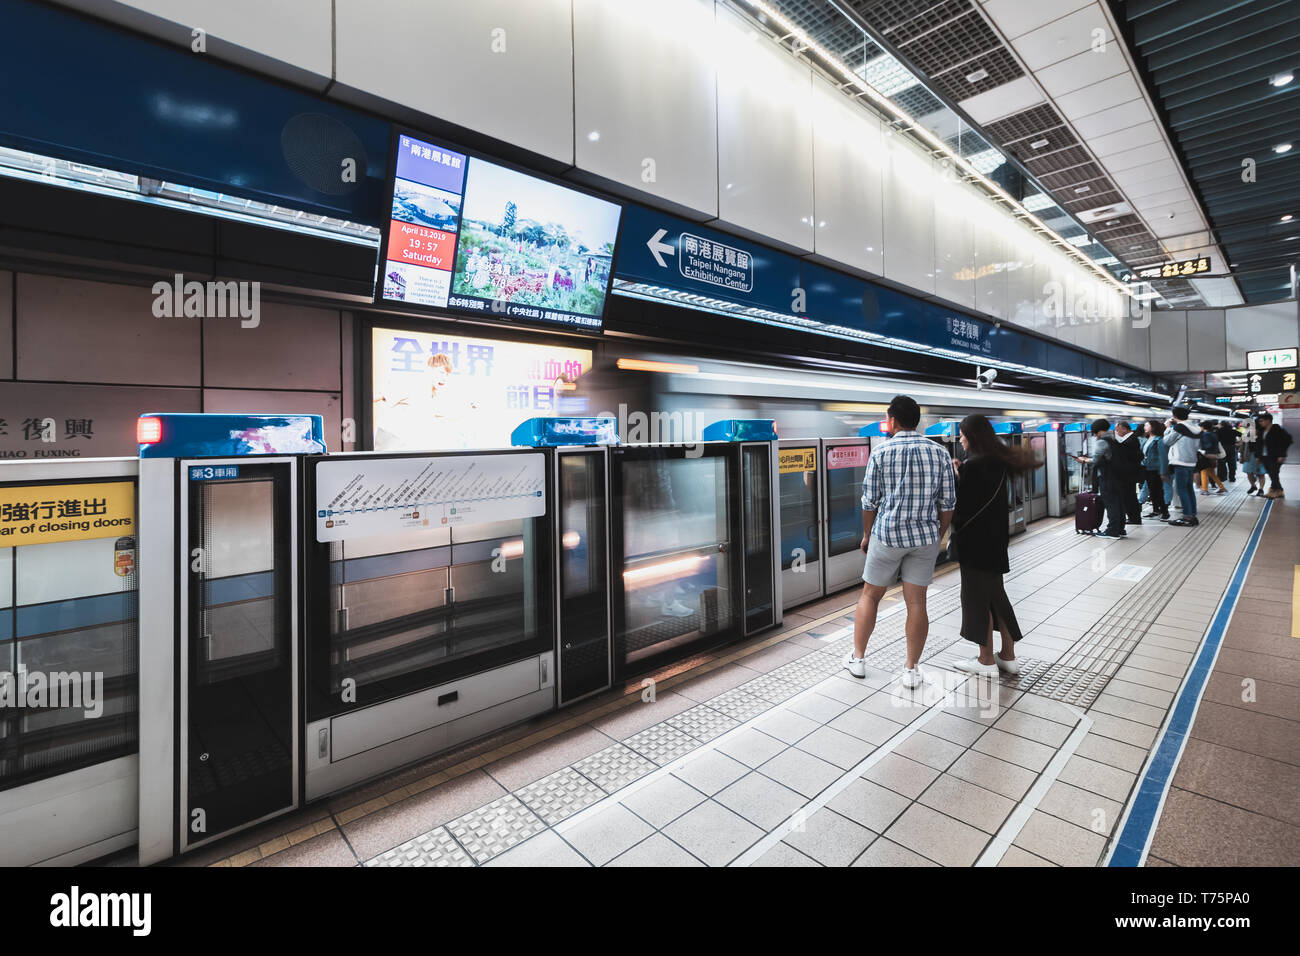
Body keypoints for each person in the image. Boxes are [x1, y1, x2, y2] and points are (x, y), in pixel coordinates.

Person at [844, 395, 956, 689]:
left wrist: (867, 535)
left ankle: (858, 659)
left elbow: (869, 501)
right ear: (917, 421)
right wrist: (938, 535)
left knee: (870, 596)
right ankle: (911, 669)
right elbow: (948, 503)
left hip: (887, 535)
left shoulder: (881, 452)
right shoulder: (939, 453)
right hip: (924, 537)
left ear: (892, 420)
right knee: (917, 602)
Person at [948, 415, 1039, 677]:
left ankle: (985, 660)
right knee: (997, 598)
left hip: (974, 545)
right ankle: (1008, 656)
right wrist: (962, 471)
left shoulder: (973, 465)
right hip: (996, 541)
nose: (960, 439)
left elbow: (962, 508)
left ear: (972, 435)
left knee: (977, 600)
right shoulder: (997, 461)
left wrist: (957, 476)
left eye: (962, 434)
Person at [1075, 419, 1126, 537]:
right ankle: (1120, 529)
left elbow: (1096, 460)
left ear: (1098, 431)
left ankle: (1112, 531)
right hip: (1117, 476)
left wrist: (1084, 460)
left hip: (1107, 477)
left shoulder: (1102, 441)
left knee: (1111, 504)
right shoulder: (1114, 439)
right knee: (1118, 503)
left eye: (1094, 433)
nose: (1095, 435)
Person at [1164, 405, 1200, 526]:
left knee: (1182, 490)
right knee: (1189, 489)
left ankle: (1187, 517)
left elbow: (1167, 441)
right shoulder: (1195, 427)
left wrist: (1168, 428)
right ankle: (1192, 514)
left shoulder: (1179, 427)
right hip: (1191, 461)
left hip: (1180, 461)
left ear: (1174, 416)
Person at [1113, 421, 1145, 523]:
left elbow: (1125, 455)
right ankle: (1134, 517)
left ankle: (1134, 518)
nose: (1116, 432)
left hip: (1128, 474)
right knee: (1130, 495)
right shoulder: (1131, 439)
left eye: (1117, 430)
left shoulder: (1130, 440)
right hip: (1130, 473)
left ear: (1124, 429)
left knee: (1129, 496)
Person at [1256, 413, 1293, 499]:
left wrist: (1282, 454)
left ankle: (1274, 490)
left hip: (1275, 456)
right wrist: (1258, 455)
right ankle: (1279, 491)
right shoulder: (1262, 431)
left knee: (1274, 473)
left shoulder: (1277, 429)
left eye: (1262, 421)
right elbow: (1259, 443)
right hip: (1265, 456)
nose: (1260, 423)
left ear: (1268, 420)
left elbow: (1287, 440)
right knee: (1271, 473)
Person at [1141, 420, 1169, 520]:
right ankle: (1155, 510)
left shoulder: (1159, 440)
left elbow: (1163, 457)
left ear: (1153, 427)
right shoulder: (1147, 439)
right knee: (1152, 491)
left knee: (1158, 491)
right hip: (1147, 468)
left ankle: (1165, 512)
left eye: (1147, 425)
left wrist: (1163, 472)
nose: (1144, 427)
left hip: (1156, 469)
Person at [1197, 421, 1226, 496]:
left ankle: (1204, 489)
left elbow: (1208, 445)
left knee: (1204, 471)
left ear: (1203, 427)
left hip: (1207, 455)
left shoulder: (1206, 434)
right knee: (1211, 472)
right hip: (1213, 455)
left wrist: (1203, 451)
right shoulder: (1213, 434)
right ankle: (1221, 487)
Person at [1241, 419, 1267, 495]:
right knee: (1248, 472)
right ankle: (1253, 486)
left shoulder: (1264, 434)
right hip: (1249, 455)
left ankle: (1261, 489)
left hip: (1260, 456)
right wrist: (1241, 456)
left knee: (1261, 473)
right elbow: (1243, 445)